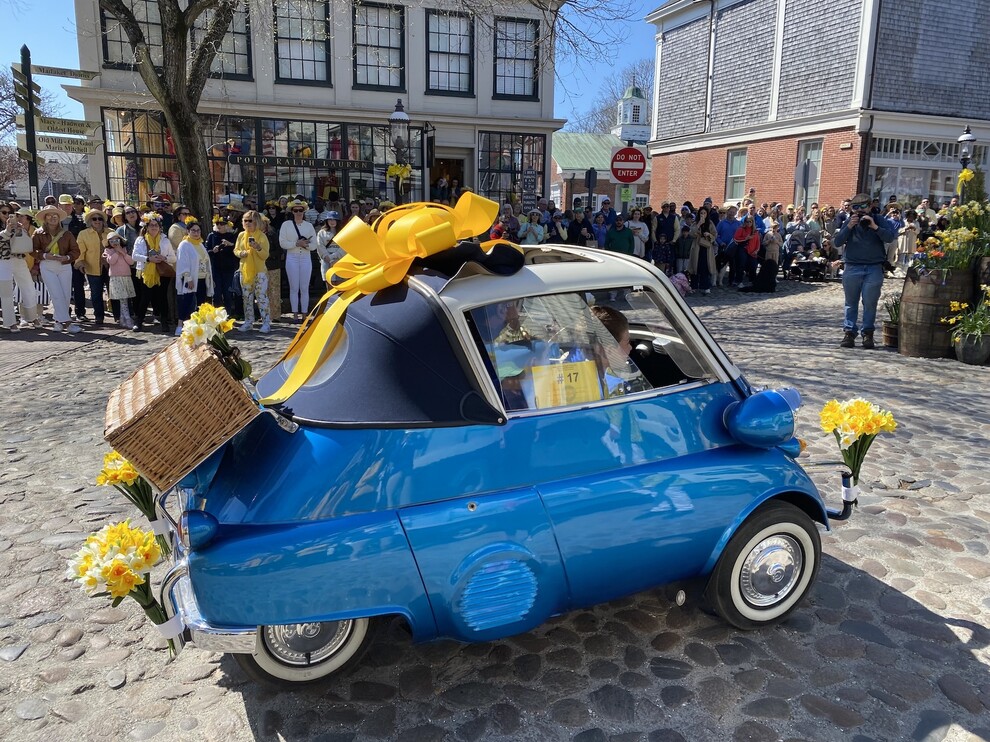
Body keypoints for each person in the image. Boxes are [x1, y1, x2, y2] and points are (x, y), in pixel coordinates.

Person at [833, 192, 897, 349]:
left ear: (870, 207)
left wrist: (874, 227)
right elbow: (838, 242)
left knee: (870, 302)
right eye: (856, 207)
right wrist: (849, 226)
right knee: (851, 303)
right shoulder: (850, 221)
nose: (860, 210)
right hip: (852, 267)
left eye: (863, 207)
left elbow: (890, 237)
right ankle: (849, 333)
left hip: (873, 268)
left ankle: (868, 334)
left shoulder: (879, 220)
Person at [32, 204, 81, 334]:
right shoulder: (38, 233)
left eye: (55, 215)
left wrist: (67, 257)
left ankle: (58, 322)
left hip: (64, 265)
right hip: (47, 265)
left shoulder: (67, 234)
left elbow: (75, 251)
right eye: (49, 215)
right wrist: (44, 255)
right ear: (45, 218)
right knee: (56, 294)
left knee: (65, 295)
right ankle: (68, 323)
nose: (53, 218)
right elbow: (33, 250)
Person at [132, 212, 177, 334]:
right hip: (146, 272)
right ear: (146, 227)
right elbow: (134, 256)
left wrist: (164, 258)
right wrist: (148, 259)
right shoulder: (140, 240)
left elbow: (173, 258)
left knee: (162, 298)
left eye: (156, 225)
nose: (154, 227)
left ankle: (164, 322)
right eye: (151, 225)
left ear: (160, 227)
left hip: (162, 273)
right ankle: (138, 321)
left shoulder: (165, 240)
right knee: (145, 298)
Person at [1, 211, 40, 331]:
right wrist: (7, 230)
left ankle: (32, 317)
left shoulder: (17, 226)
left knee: (29, 288)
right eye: (3, 212)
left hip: (18, 259)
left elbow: (24, 243)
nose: (7, 215)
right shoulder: (6, 228)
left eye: (11, 214)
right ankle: (10, 322)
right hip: (3, 261)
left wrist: (20, 230)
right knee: (6, 293)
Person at [280, 198, 317, 320]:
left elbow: (314, 245)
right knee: (294, 287)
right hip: (292, 257)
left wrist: (305, 245)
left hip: (305, 257)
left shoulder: (309, 226)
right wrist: (296, 244)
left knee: (304, 288)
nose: (298, 212)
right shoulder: (286, 225)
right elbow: (282, 243)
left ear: (304, 211)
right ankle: (295, 315)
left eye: (300, 210)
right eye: (295, 210)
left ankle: (305, 314)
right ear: (292, 211)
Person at [174, 219, 214, 334]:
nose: (196, 233)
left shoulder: (200, 244)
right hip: (190, 278)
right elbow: (183, 262)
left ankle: (197, 326)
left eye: (198, 231)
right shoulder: (184, 245)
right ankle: (180, 325)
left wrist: (209, 278)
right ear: (188, 231)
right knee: (186, 301)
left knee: (200, 303)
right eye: (193, 230)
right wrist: (188, 278)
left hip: (202, 278)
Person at [235, 210, 271, 333]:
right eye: (245, 221)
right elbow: (236, 250)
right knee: (246, 297)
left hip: (259, 271)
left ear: (257, 222)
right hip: (245, 270)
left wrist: (258, 248)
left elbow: (265, 255)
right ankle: (248, 322)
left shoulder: (262, 236)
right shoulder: (241, 235)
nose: (247, 223)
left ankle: (266, 323)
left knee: (261, 297)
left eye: (250, 221)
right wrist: (241, 253)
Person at [75, 209, 110, 324]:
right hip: (92, 267)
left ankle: (118, 315)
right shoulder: (83, 234)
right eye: (94, 219)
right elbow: (80, 251)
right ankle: (99, 316)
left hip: (111, 267)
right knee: (96, 294)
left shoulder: (110, 232)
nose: (97, 221)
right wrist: (80, 263)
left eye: (100, 218)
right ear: (90, 221)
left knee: (114, 292)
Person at [102, 231, 137, 330]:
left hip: (126, 276)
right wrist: (117, 252)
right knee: (123, 299)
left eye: (116, 240)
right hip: (116, 277)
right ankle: (127, 318)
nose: (114, 242)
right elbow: (111, 261)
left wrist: (122, 252)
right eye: (111, 241)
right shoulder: (108, 250)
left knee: (125, 299)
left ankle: (123, 319)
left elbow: (131, 261)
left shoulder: (124, 249)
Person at [206, 216, 239, 317]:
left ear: (227, 225)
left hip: (228, 269)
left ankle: (227, 315)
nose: (219, 225)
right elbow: (206, 251)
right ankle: (216, 316)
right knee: (216, 293)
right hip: (215, 268)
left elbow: (237, 251)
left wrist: (230, 245)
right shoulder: (211, 236)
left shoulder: (232, 236)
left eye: (222, 224)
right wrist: (213, 251)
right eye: (217, 223)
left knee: (228, 293)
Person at [688, 205, 717, 294]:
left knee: (705, 266)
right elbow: (691, 233)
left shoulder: (710, 223)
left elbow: (714, 235)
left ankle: (705, 286)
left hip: (706, 248)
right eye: (701, 213)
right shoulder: (695, 223)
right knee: (695, 266)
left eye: (704, 213)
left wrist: (709, 235)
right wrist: (699, 224)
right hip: (697, 247)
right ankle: (694, 285)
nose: (703, 215)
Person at [315, 211, 343, 288]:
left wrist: (334, 258)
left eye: (334, 219)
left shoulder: (343, 232)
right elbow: (320, 246)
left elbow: (345, 248)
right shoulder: (321, 233)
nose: (332, 222)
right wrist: (329, 259)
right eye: (330, 219)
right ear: (326, 221)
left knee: (341, 287)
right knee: (330, 286)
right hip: (326, 261)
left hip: (340, 260)